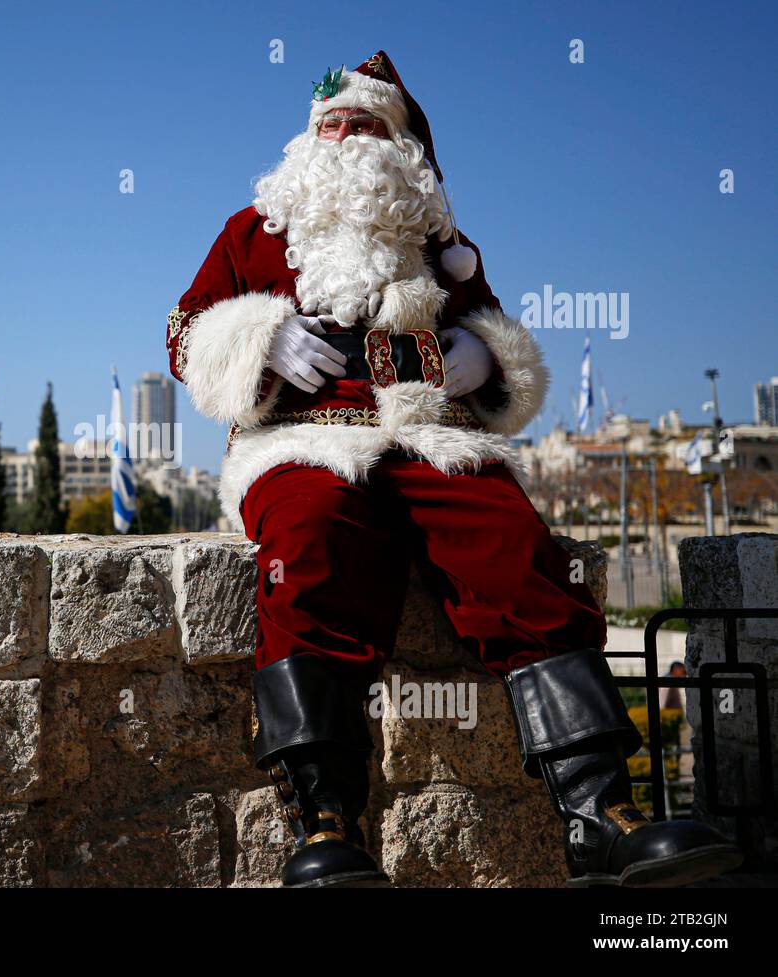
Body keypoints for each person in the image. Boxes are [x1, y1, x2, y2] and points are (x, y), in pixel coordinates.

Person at [165, 51, 742, 888]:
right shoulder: (252, 231)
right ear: (308, 139)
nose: (343, 136)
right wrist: (256, 339)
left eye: (362, 124)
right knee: (310, 540)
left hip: (431, 432)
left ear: (397, 143)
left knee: (513, 543)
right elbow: (185, 330)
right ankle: (325, 818)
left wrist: (482, 354)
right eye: (330, 124)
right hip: (305, 439)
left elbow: (497, 336)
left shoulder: (439, 242)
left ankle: (599, 811)